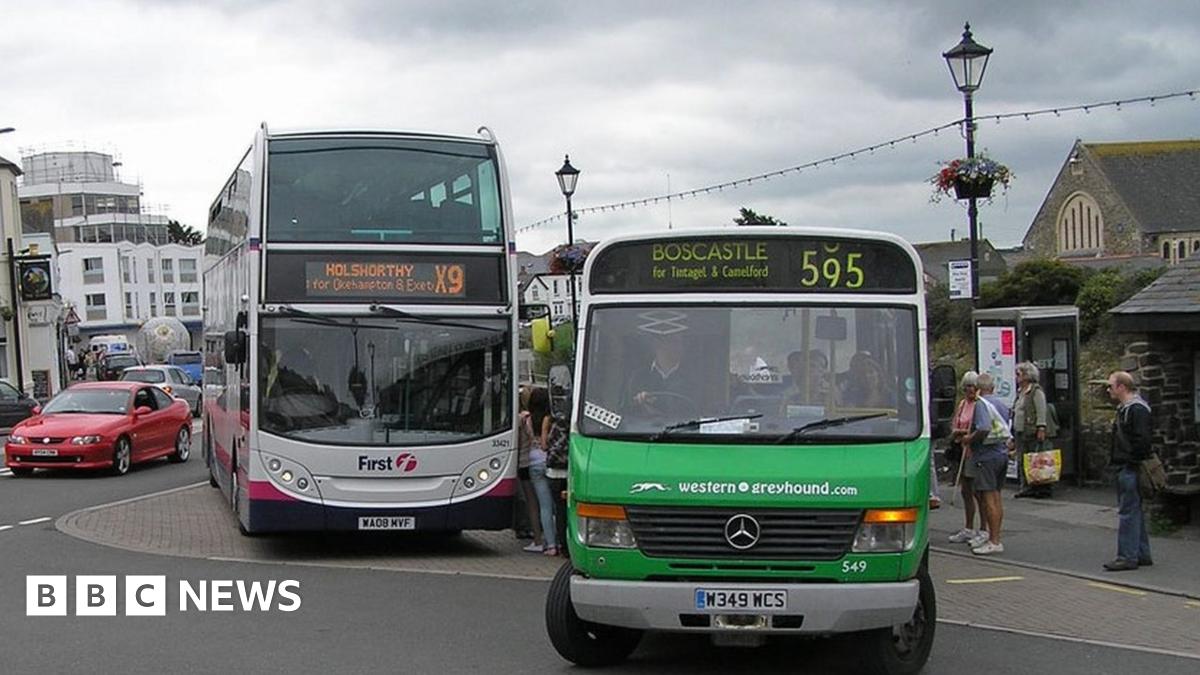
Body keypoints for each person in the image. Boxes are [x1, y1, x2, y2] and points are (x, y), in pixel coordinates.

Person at [1103, 371, 1154, 572]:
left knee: (1128, 512)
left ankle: (1127, 556)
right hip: (1126, 465)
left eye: (1111, 386)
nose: (1108, 390)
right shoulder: (1127, 408)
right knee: (1134, 510)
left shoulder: (1136, 409)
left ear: (1122, 387)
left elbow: (1142, 440)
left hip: (1129, 466)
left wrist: (1131, 462)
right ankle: (1141, 553)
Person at [970, 373, 1011, 555]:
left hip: (986, 456)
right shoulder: (1000, 404)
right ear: (993, 388)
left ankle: (994, 540)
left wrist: (969, 438)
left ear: (978, 389)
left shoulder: (981, 404)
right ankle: (996, 536)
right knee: (997, 496)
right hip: (1001, 453)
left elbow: (984, 427)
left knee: (988, 497)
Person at [947, 371, 986, 547]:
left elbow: (982, 427)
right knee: (966, 490)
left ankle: (984, 528)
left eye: (974, 386)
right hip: (961, 450)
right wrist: (956, 432)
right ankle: (968, 527)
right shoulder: (963, 404)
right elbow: (955, 423)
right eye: (968, 386)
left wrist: (967, 435)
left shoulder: (981, 405)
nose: (971, 389)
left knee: (979, 492)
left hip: (974, 452)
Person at [624, 330, 700, 417]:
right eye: (672, 341)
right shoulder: (638, 378)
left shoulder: (693, 379)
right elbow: (626, 413)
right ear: (657, 345)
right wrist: (640, 402)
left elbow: (700, 413)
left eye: (680, 342)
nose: (678, 346)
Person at [1012, 362, 1051, 498]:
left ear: (1027, 376)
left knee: (1035, 459)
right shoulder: (1020, 392)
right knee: (1024, 459)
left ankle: (1038, 487)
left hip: (1031, 429)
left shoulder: (1036, 391)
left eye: (1019, 374)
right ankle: (1026, 486)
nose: (1017, 377)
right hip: (1020, 429)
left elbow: (1041, 410)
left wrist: (1041, 427)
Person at [526, 387, 558, 556]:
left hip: (533, 461)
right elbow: (545, 443)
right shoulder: (548, 418)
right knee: (554, 505)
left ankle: (549, 544)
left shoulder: (528, 419)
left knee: (543, 505)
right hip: (546, 460)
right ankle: (557, 542)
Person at [514, 387, 542, 546]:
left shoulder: (519, 419)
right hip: (535, 460)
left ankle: (531, 533)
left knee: (526, 499)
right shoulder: (534, 418)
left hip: (522, 462)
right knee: (539, 501)